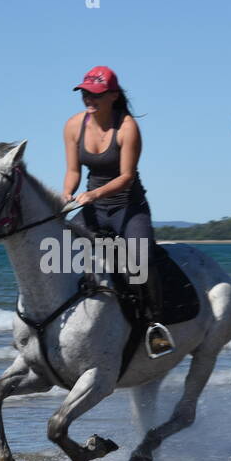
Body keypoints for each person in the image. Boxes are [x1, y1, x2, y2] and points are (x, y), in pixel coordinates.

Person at [60, 66, 174, 357]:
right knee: (59, 250)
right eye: (85, 92)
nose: (88, 98)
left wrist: (94, 193)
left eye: (96, 94)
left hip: (128, 207)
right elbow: (73, 170)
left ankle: (154, 325)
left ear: (112, 95)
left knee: (140, 259)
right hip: (92, 206)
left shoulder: (127, 128)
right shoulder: (73, 125)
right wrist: (67, 194)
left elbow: (126, 177)